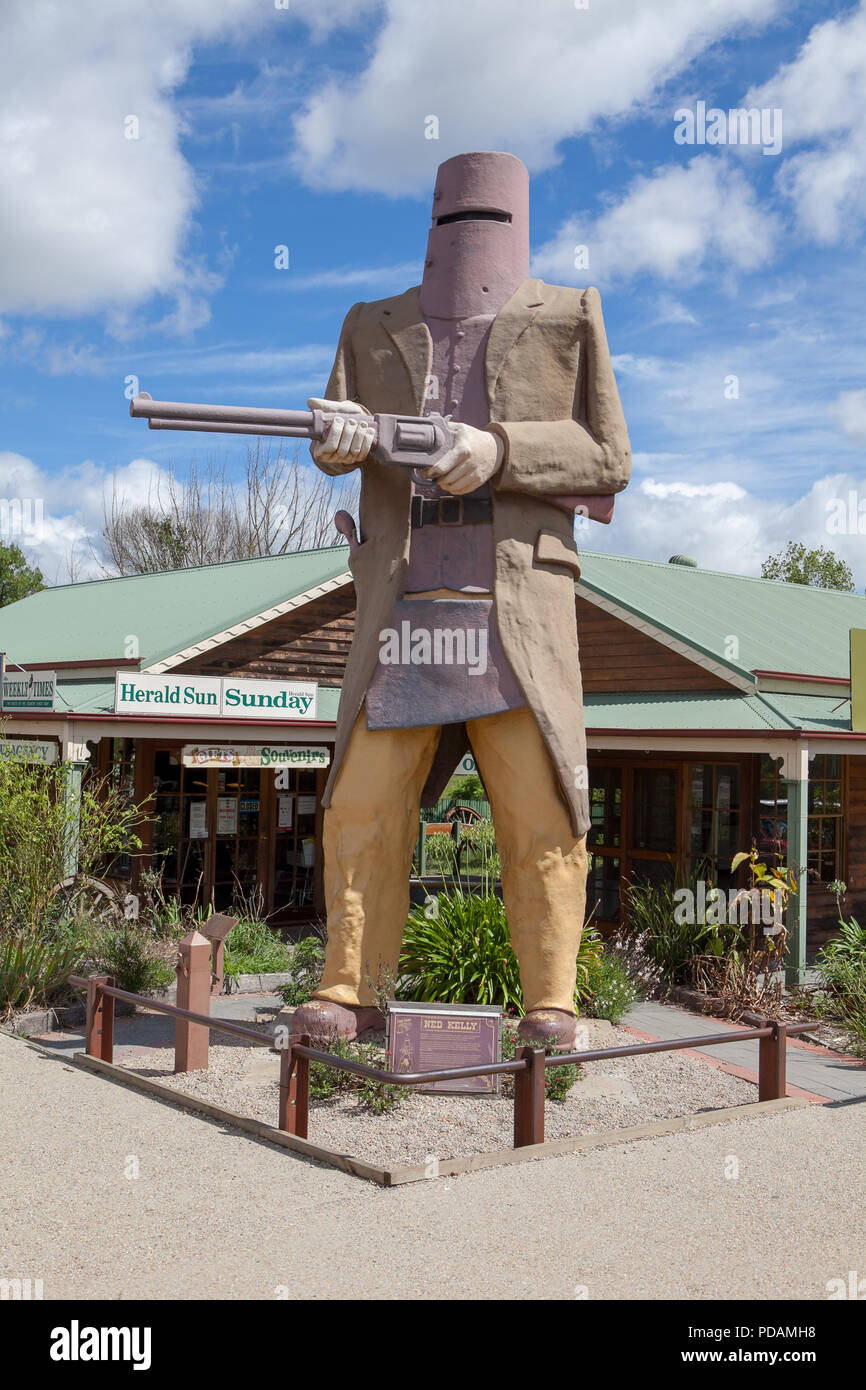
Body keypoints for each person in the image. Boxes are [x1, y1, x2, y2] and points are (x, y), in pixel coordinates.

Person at [292, 151, 631, 1047]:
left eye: (481, 220)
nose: (466, 237)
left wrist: (502, 450)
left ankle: (552, 1005)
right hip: (402, 611)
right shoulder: (370, 324)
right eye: (453, 219)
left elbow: (609, 456)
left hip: (513, 617)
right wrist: (340, 441)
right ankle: (348, 989)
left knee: (541, 812)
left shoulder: (569, 313)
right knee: (361, 803)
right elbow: (337, 431)